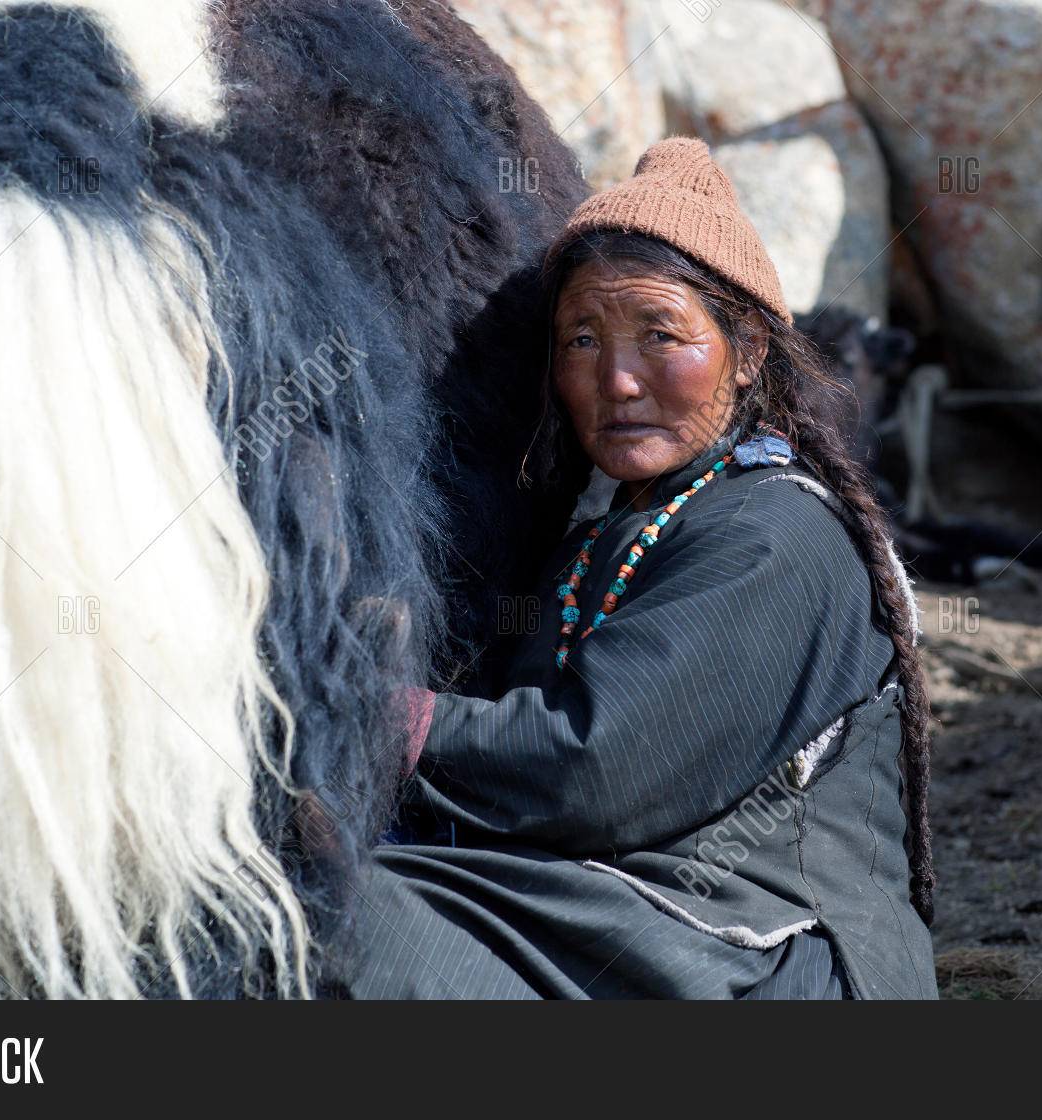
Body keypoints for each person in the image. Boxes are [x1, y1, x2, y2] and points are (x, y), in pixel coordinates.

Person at [324, 137, 936, 999]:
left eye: (660, 334)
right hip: (632, 909)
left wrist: (378, 715)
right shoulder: (613, 527)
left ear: (748, 348)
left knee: (353, 923)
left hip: (762, 947)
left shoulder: (775, 533)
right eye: (581, 339)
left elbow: (593, 762)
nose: (615, 380)